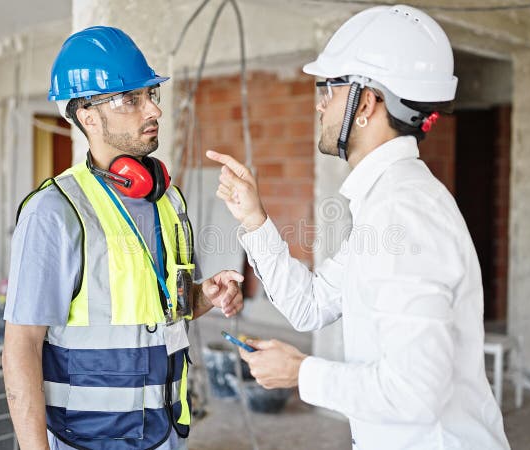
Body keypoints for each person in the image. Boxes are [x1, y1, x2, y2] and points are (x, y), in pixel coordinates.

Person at [207, 5, 510, 450]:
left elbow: (415, 392)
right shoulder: (385, 204)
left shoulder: (404, 213)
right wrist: (254, 219)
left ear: (366, 102)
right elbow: (309, 305)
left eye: (329, 89)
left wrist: (301, 373)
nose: (319, 103)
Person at [2, 26, 244, 450]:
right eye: (131, 99)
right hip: (88, 438)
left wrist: (205, 295)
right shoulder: (55, 211)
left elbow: (173, 310)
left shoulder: (169, 201)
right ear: (87, 116)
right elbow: (21, 346)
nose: (153, 110)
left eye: (151, 94)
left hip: (166, 432)